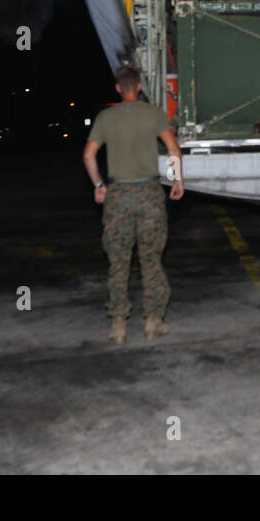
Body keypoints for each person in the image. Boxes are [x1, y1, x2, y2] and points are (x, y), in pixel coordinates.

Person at [82, 64, 183, 344]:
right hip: (149, 193)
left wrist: (99, 186)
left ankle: (118, 325)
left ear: (118, 87)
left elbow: (89, 156)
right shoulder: (153, 114)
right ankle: (153, 321)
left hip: (118, 197)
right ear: (139, 87)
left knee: (118, 260)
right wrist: (177, 180)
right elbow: (173, 149)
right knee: (151, 258)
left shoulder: (106, 117)